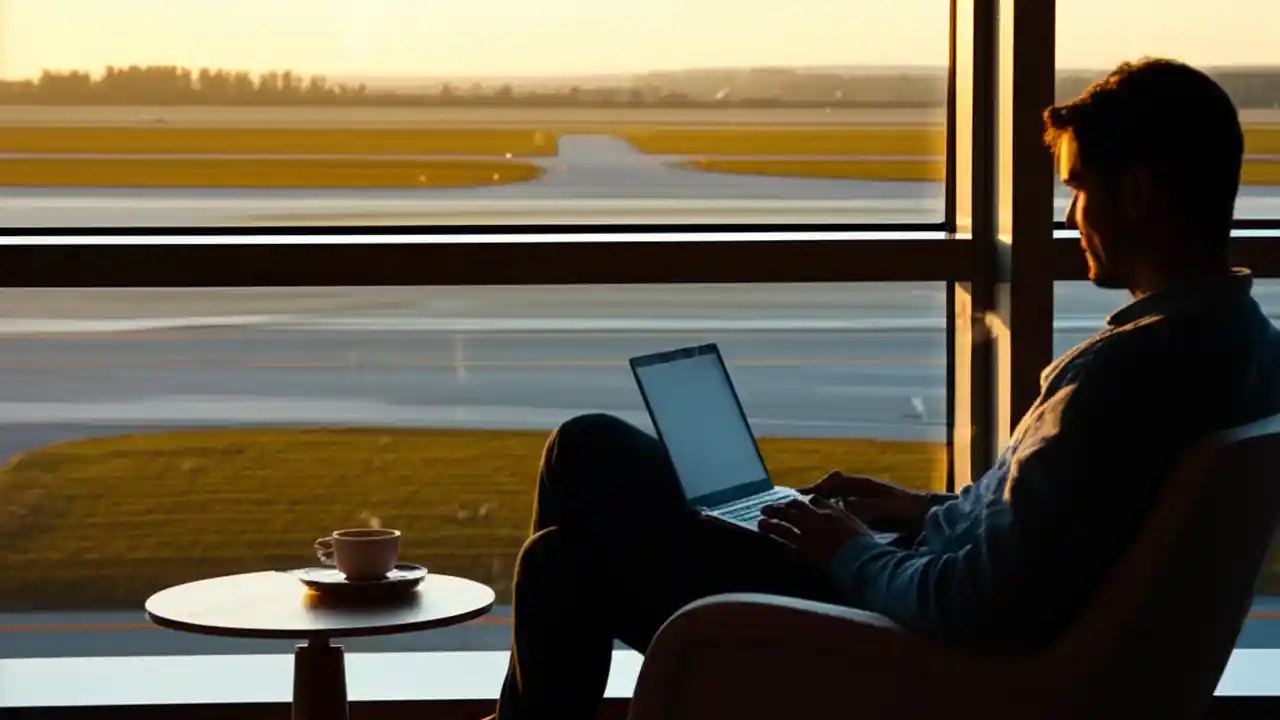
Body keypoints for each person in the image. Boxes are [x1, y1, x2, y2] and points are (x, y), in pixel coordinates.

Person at [490, 58, 1280, 720]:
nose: (1069, 215)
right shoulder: (1246, 347)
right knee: (575, 502)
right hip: (910, 579)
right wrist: (921, 508)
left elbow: (979, 603)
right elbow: (1054, 528)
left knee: (572, 513)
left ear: (1138, 194)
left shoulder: (1124, 376)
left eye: (1078, 187)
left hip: (894, 632)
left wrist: (848, 550)